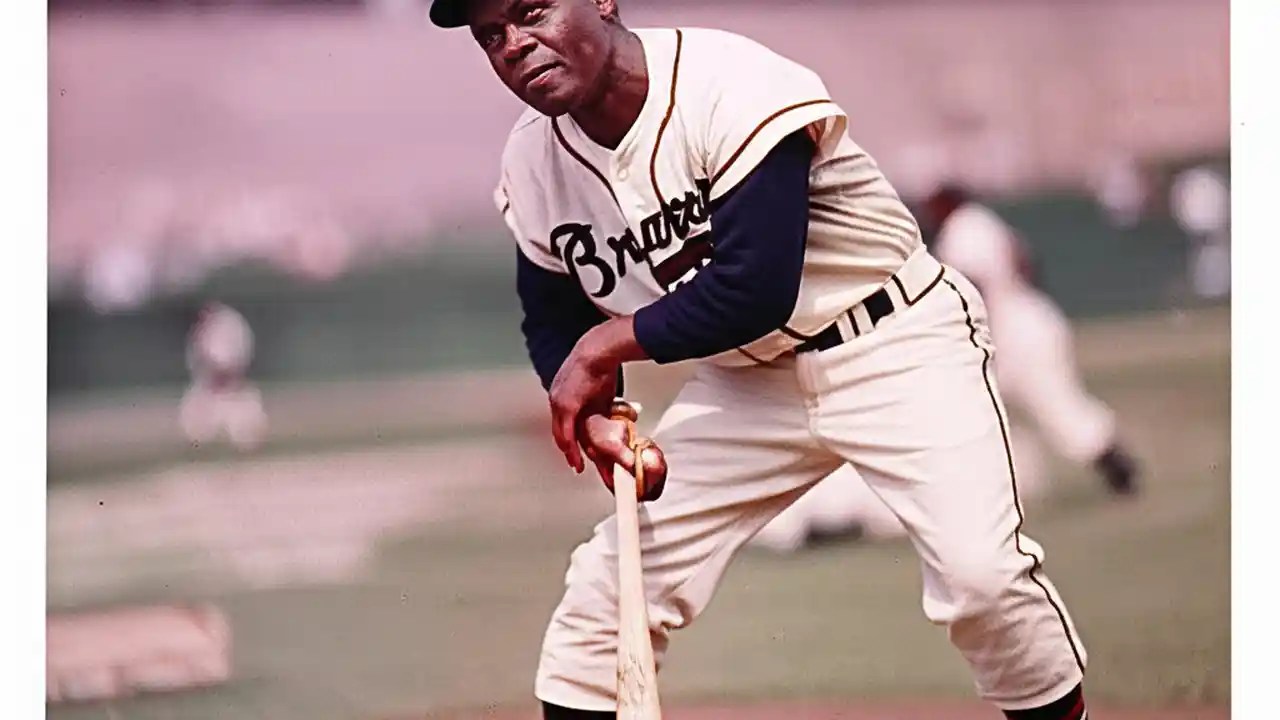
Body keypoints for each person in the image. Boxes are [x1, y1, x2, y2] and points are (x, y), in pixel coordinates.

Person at [430, 2, 1091, 718]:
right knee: (605, 595)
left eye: (531, 12)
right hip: (748, 382)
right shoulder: (533, 161)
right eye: (491, 35)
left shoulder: (728, 82)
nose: (515, 45)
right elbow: (552, 313)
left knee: (984, 580)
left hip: (894, 338)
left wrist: (603, 347)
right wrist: (592, 414)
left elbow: (755, 289)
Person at [752, 182, 1140, 552]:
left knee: (1049, 411)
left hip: (1011, 335)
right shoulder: (983, 223)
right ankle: (1102, 476)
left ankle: (1113, 476)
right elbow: (1027, 264)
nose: (928, 212)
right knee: (1041, 412)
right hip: (1027, 319)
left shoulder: (964, 228)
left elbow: (972, 287)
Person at [179, 301, 267, 451]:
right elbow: (197, 364)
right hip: (209, 390)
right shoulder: (200, 331)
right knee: (194, 436)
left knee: (248, 437)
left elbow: (238, 359)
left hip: (234, 389)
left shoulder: (232, 325)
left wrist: (225, 371)